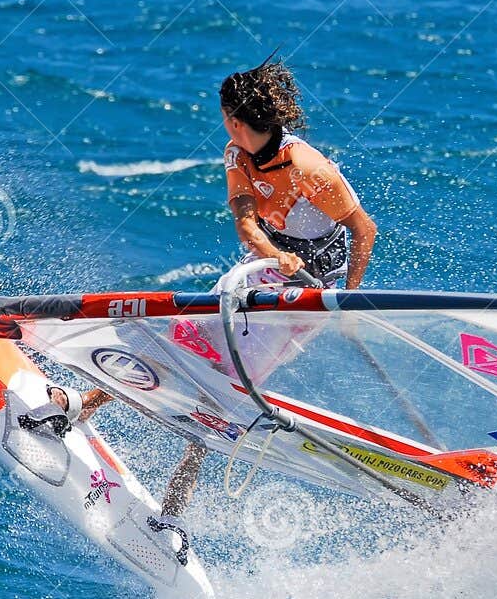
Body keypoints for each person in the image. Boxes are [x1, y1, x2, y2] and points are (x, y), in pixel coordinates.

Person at [39, 56, 377, 516]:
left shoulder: (310, 170)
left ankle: (177, 505)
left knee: (221, 387)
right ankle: (83, 405)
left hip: (309, 295)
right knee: (181, 341)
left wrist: (346, 301)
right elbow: (246, 225)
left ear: (234, 120)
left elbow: (364, 230)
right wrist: (275, 256)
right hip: (265, 267)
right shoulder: (237, 154)